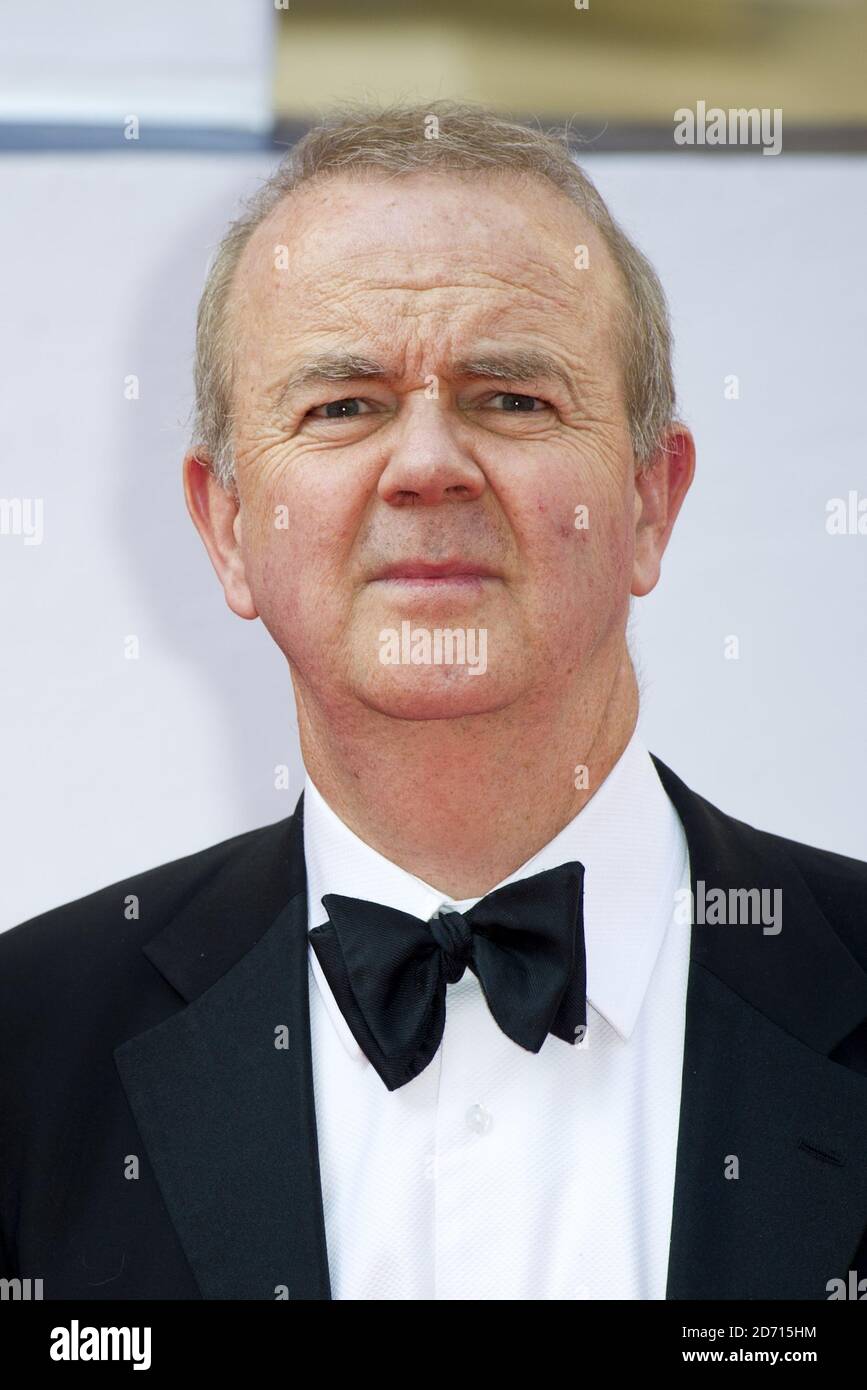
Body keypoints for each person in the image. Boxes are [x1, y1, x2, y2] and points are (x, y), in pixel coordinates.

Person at [2, 101, 866, 1302]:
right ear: (229, 527)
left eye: (510, 398)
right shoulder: (25, 1054)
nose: (425, 466)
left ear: (651, 500)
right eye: (342, 405)